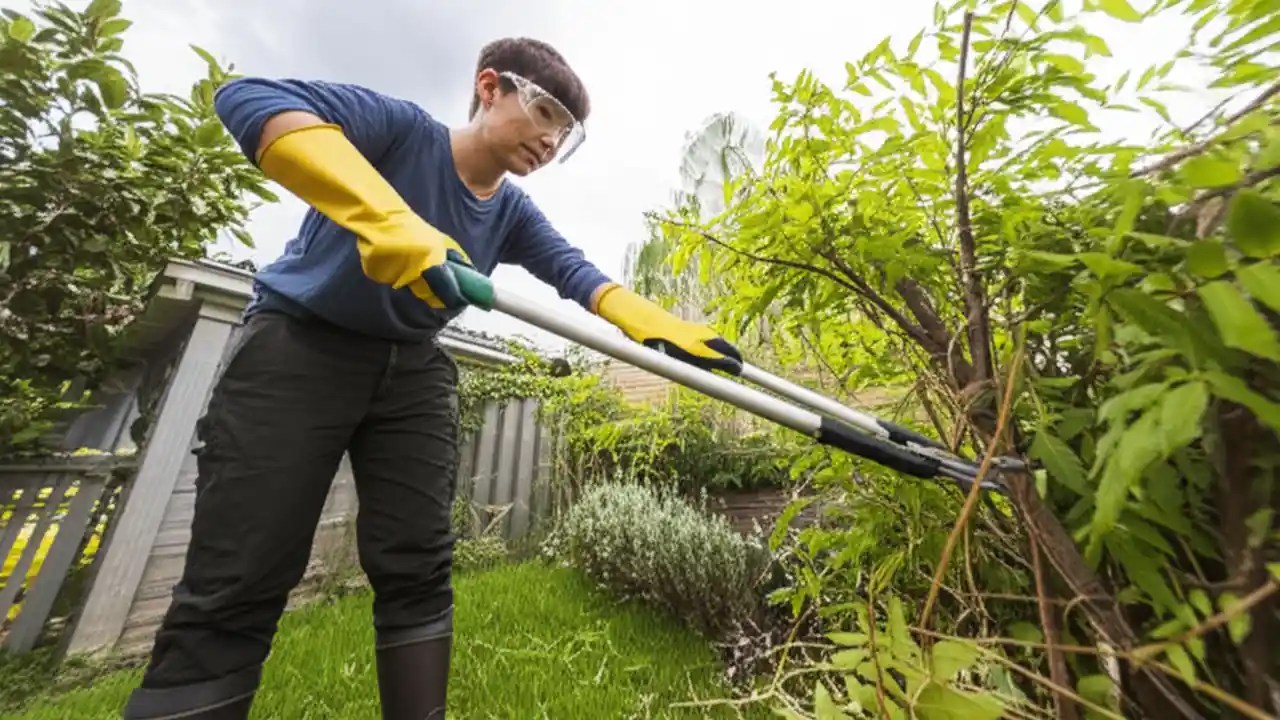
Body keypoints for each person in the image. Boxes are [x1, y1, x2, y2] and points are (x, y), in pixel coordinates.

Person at [121, 37, 742, 720]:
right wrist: (383, 216)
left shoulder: (510, 212)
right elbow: (247, 98)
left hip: (411, 368)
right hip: (299, 346)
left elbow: (576, 273)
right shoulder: (401, 130)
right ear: (488, 87)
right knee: (241, 573)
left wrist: (650, 322)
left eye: (565, 133)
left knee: (417, 564)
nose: (550, 139)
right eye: (543, 111)